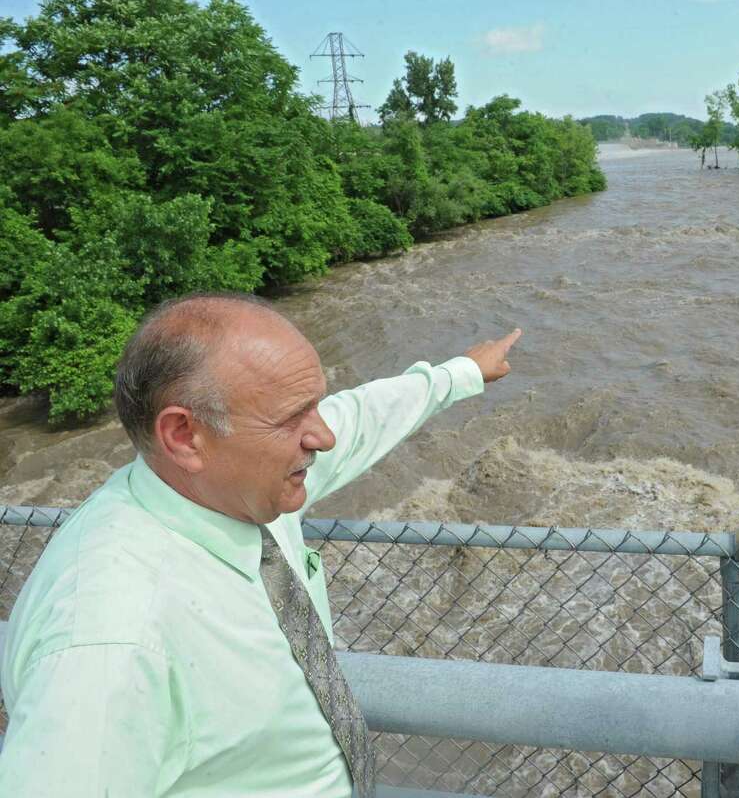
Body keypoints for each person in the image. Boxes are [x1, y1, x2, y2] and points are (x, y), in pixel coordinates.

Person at [0, 293, 522, 797]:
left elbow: (358, 418)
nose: (323, 437)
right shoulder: (110, 642)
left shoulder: (235, 487)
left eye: (313, 405)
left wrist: (461, 374)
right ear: (184, 435)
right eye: (294, 417)